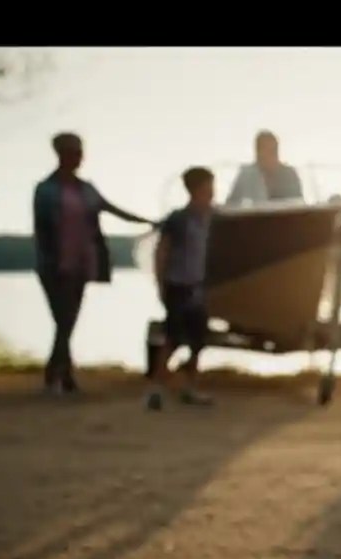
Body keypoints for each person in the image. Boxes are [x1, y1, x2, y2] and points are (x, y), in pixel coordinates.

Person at [32, 132, 155, 395]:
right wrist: (53, 260)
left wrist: (149, 222)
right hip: (55, 265)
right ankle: (56, 376)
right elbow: (42, 230)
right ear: (61, 154)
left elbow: (113, 209)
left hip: (81, 263)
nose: (79, 158)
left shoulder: (86, 189)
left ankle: (63, 376)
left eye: (81, 152)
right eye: (74, 153)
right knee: (64, 321)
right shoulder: (46, 190)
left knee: (67, 322)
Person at [146, 166, 217, 411]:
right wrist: (160, 283)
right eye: (208, 188)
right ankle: (156, 389)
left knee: (198, 340)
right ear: (195, 189)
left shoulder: (212, 217)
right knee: (172, 338)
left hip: (199, 286)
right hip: (178, 285)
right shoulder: (178, 219)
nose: (212, 192)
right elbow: (162, 251)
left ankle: (190, 388)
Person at [225, 130, 305, 206]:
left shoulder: (289, 175)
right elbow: (230, 206)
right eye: (267, 151)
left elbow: (299, 204)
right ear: (257, 153)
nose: (272, 156)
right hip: (256, 215)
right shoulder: (246, 175)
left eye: (274, 151)